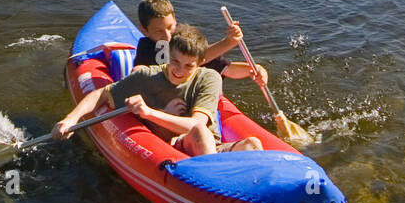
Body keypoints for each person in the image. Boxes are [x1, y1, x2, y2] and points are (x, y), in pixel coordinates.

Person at [53, 24, 262, 156]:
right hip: (175, 148)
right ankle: (216, 190)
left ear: (201, 62)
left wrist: (149, 112)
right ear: (167, 54)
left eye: (189, 65)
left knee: (253, 143)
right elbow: (101, 94)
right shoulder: (147, 76)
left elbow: (195, 124)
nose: (179, 71)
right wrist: (70, 120)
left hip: (212, 150)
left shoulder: (210, 78)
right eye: (175, 61)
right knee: (200, 133)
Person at [134, 0, 269, 87]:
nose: (167, 36)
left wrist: (254, 70)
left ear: (175, 21)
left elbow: (227, 68)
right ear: (145, 31)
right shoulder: (148, 47)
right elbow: (197, 58)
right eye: (159, 32)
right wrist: (227, 43)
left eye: (170, 27)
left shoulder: (183, 41)